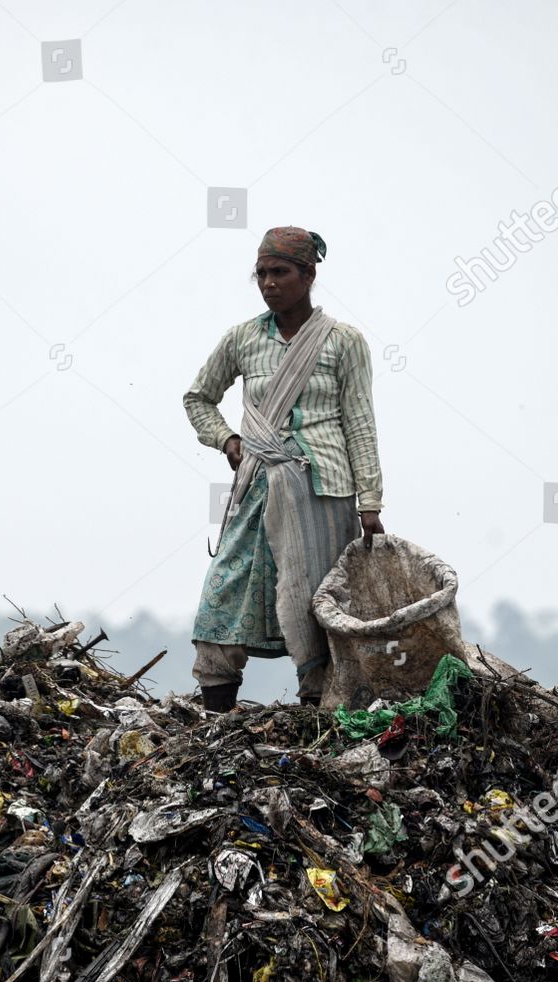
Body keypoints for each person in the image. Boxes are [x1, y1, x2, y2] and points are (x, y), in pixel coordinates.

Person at [183, 225, 385, 711]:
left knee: (320, 605)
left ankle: (316, 712)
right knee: (224, 594)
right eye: (262, 274)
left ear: (308, 274)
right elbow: (198, 398)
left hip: (325, 491)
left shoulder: (343, 341)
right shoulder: (243, 338)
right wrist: (227, 439)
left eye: (280, 272)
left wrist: (371, 504)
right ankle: (217, 722)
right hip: (258, 488)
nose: (269, 283)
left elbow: (359, 423)